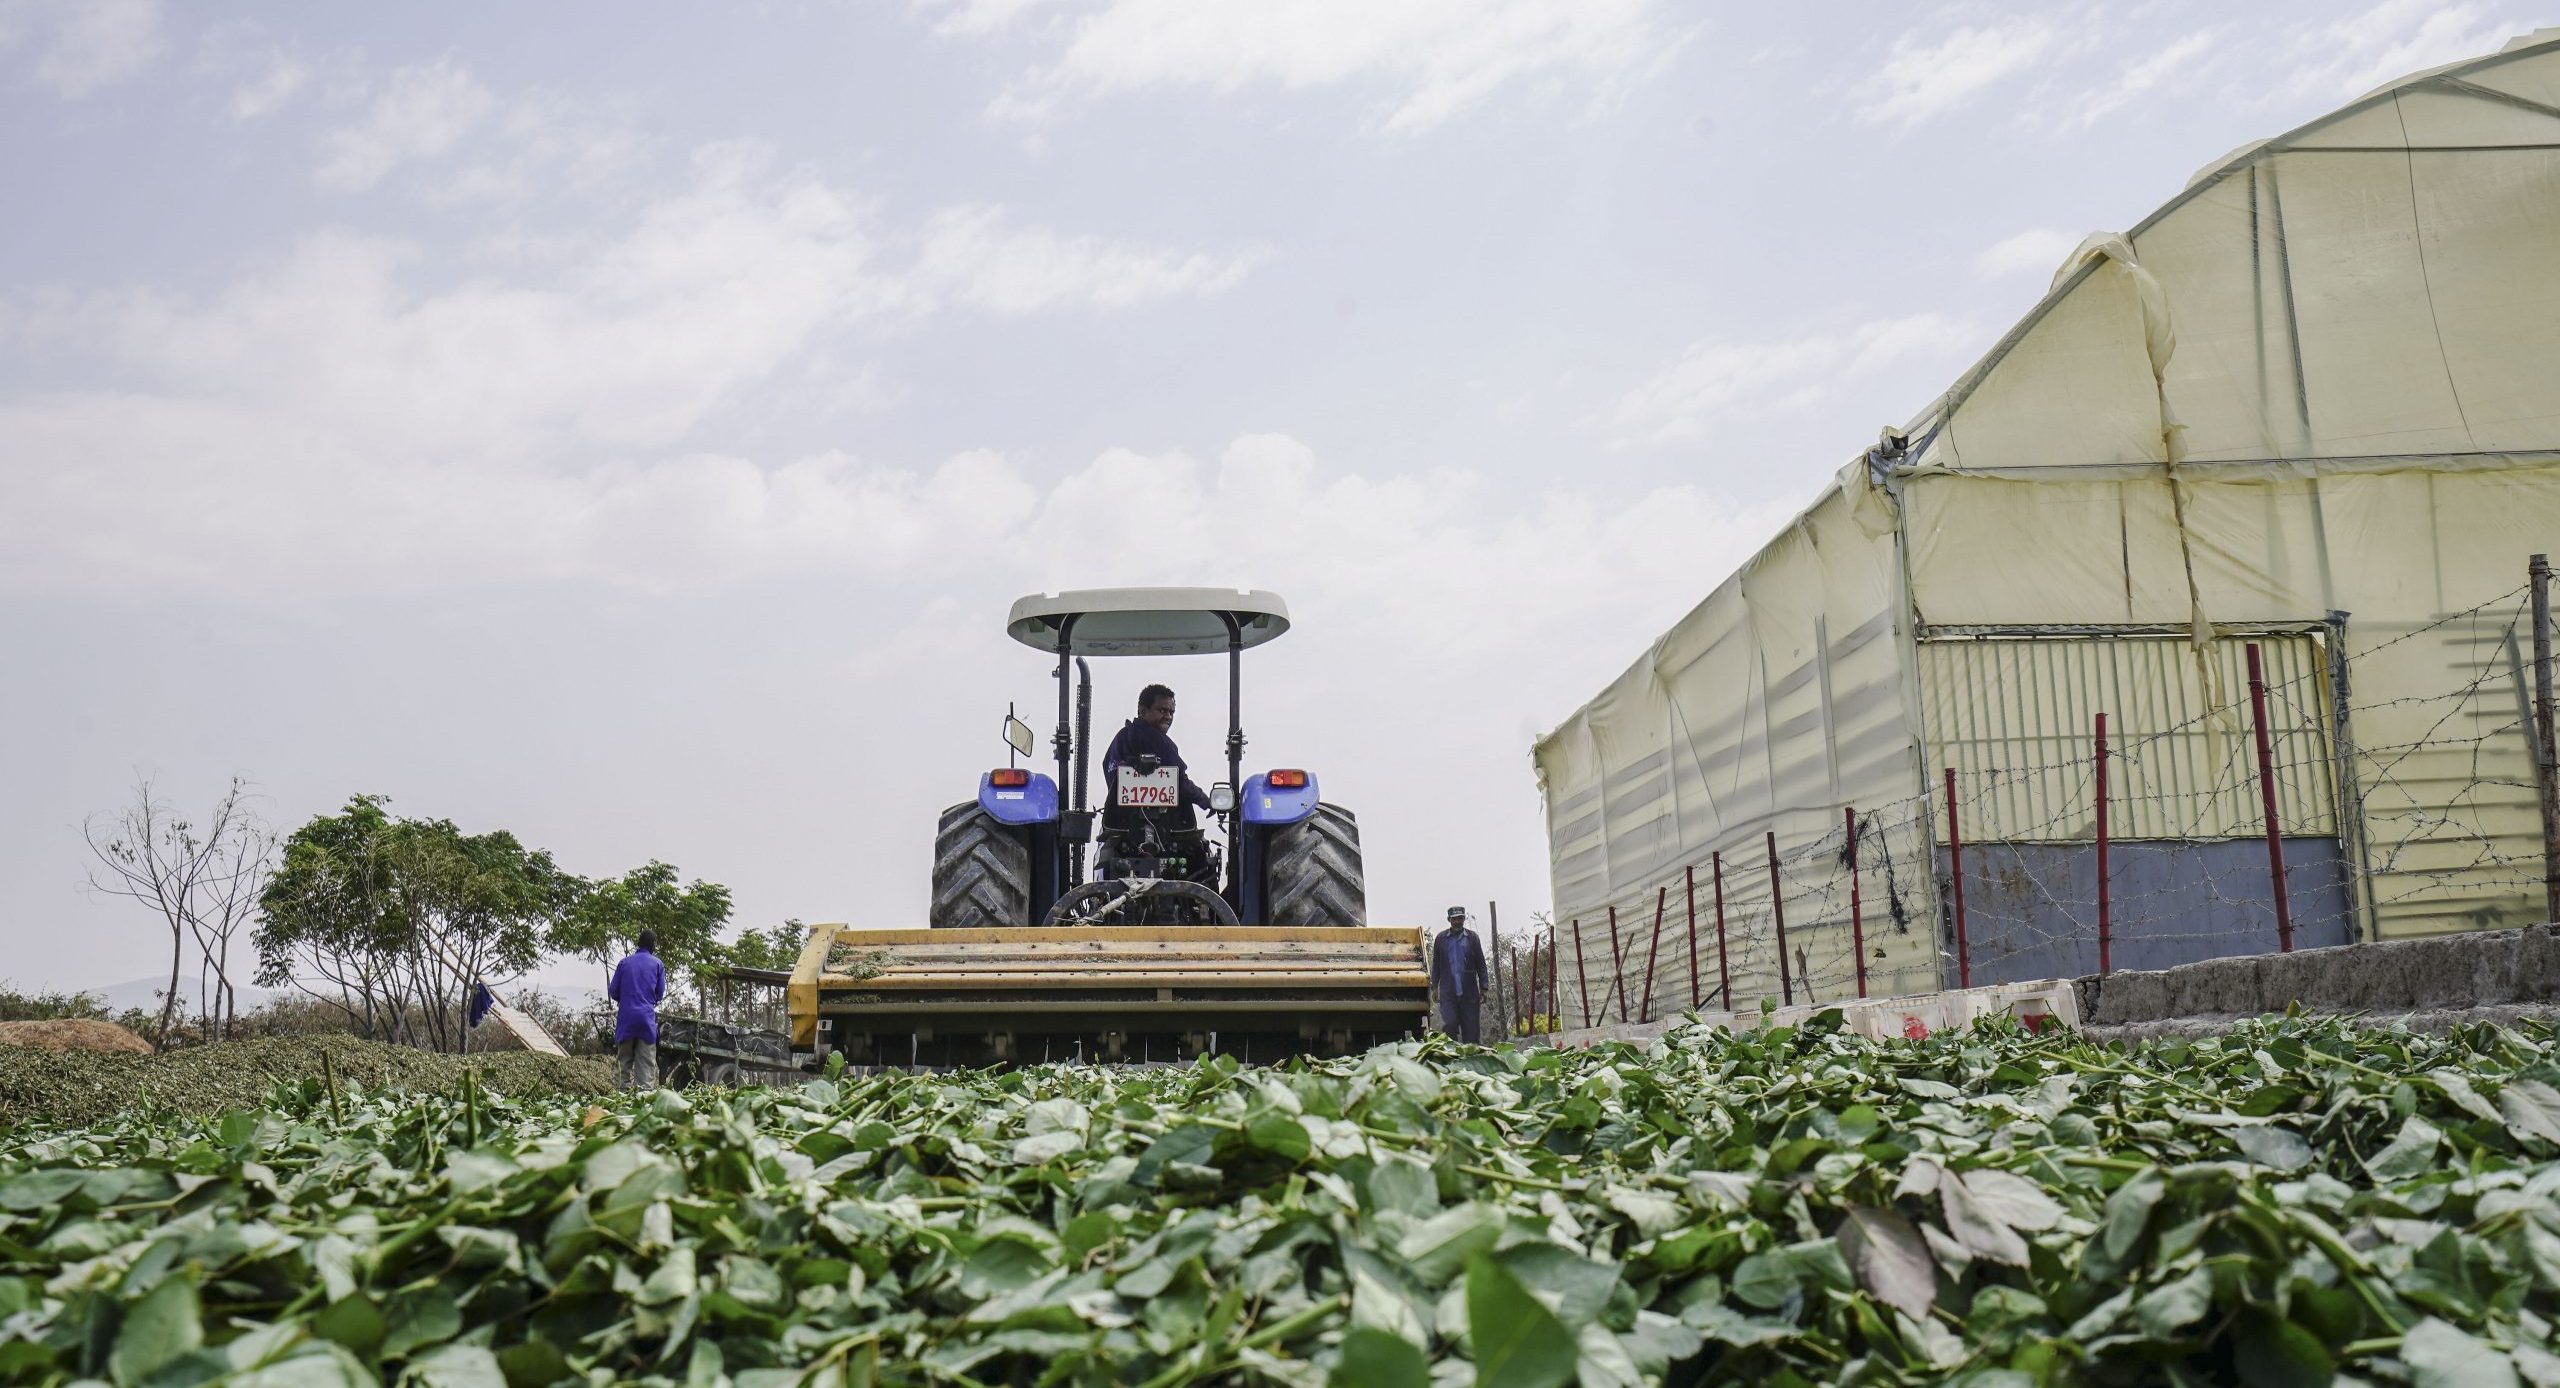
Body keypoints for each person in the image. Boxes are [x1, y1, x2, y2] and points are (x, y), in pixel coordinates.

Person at [1101, 684, 1212, 811]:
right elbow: (1179, 780)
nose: (1168, 717)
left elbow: (1106, 765)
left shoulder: (1120, 738)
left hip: (1117, 818)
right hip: (1163, 824)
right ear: (1143, 711)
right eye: (1162, 710)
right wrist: (1204, 799)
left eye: (1171, 712)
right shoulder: (1156, 739)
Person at [607, 929, 667, 1091]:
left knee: (623, 1063)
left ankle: (620, 1104)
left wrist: (627, 1000)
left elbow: (613, 991)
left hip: (626, 1020)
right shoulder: (657, 964)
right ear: (653, 945)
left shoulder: (624, 963)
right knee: (646, 1066)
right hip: (646, 1021)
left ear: (638, 943)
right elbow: (659, 994)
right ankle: (642, 1104)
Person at [1430, 907, 1488, 1043]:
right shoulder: (1440, 939)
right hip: (1448, 994)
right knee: (1449, 1026)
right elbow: (1436, 965)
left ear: (1463, 919)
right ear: (1449, 920)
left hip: (1469, 994)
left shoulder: (1472, 938)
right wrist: (1434, 987)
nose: (1457, 922)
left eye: (1460, 918)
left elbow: (1481, 963)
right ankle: (1453, 1061)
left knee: (1472, 1032)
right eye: (1454, 919)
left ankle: (1472, 1061)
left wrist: (1484, 987)